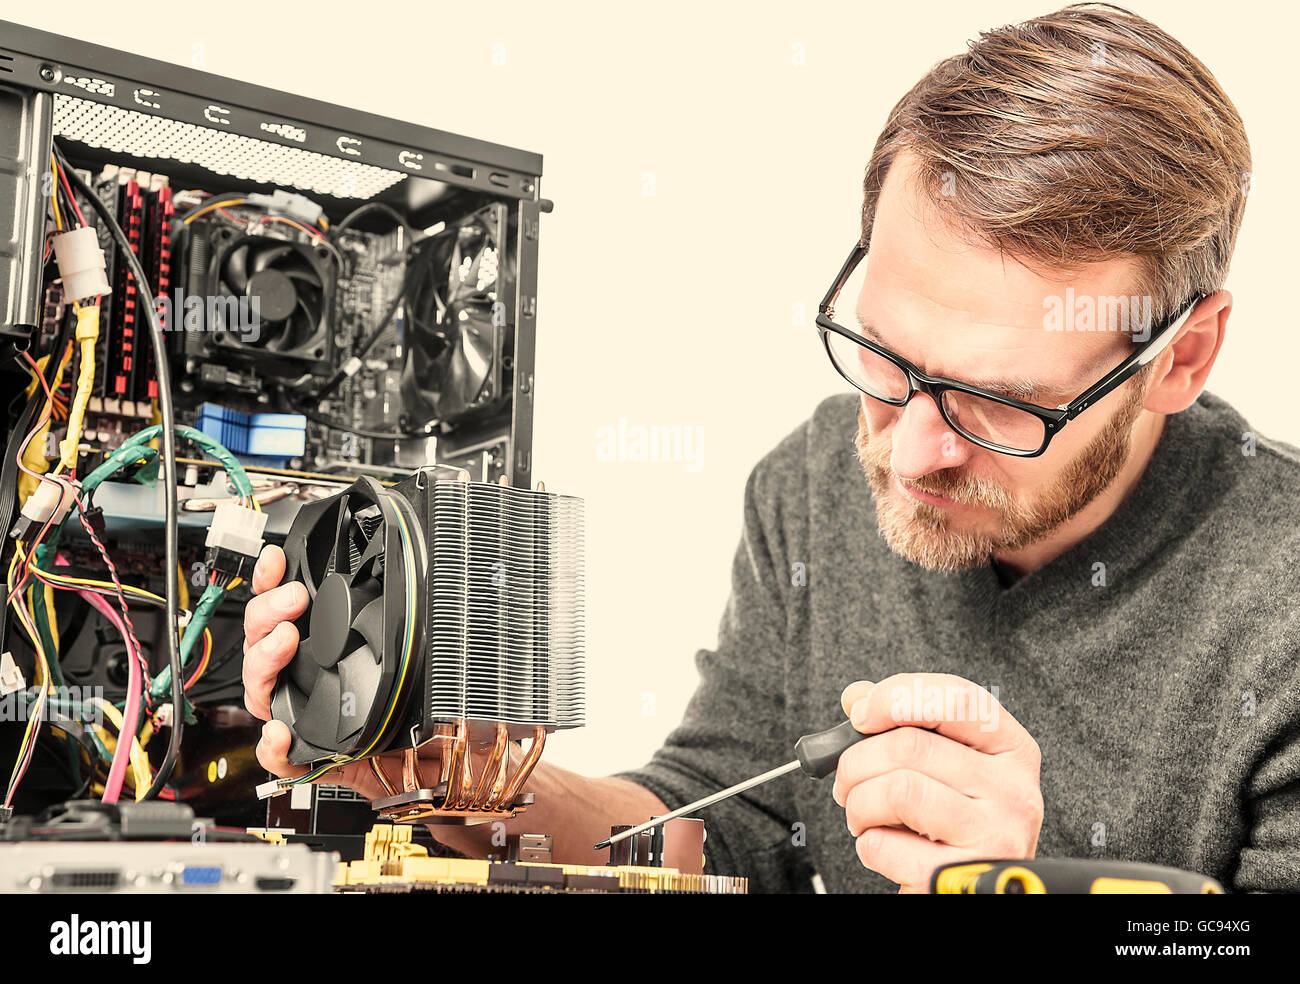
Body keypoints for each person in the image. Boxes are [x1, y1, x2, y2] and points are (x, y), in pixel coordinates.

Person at [242, 4, 1300, 893]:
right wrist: (447, 777)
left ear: (1181, 356)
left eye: (998, 404)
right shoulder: (813, 481)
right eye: (884, 356)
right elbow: (716, 824)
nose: (913, 450)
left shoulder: (1280, 610)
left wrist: (1022, 884)